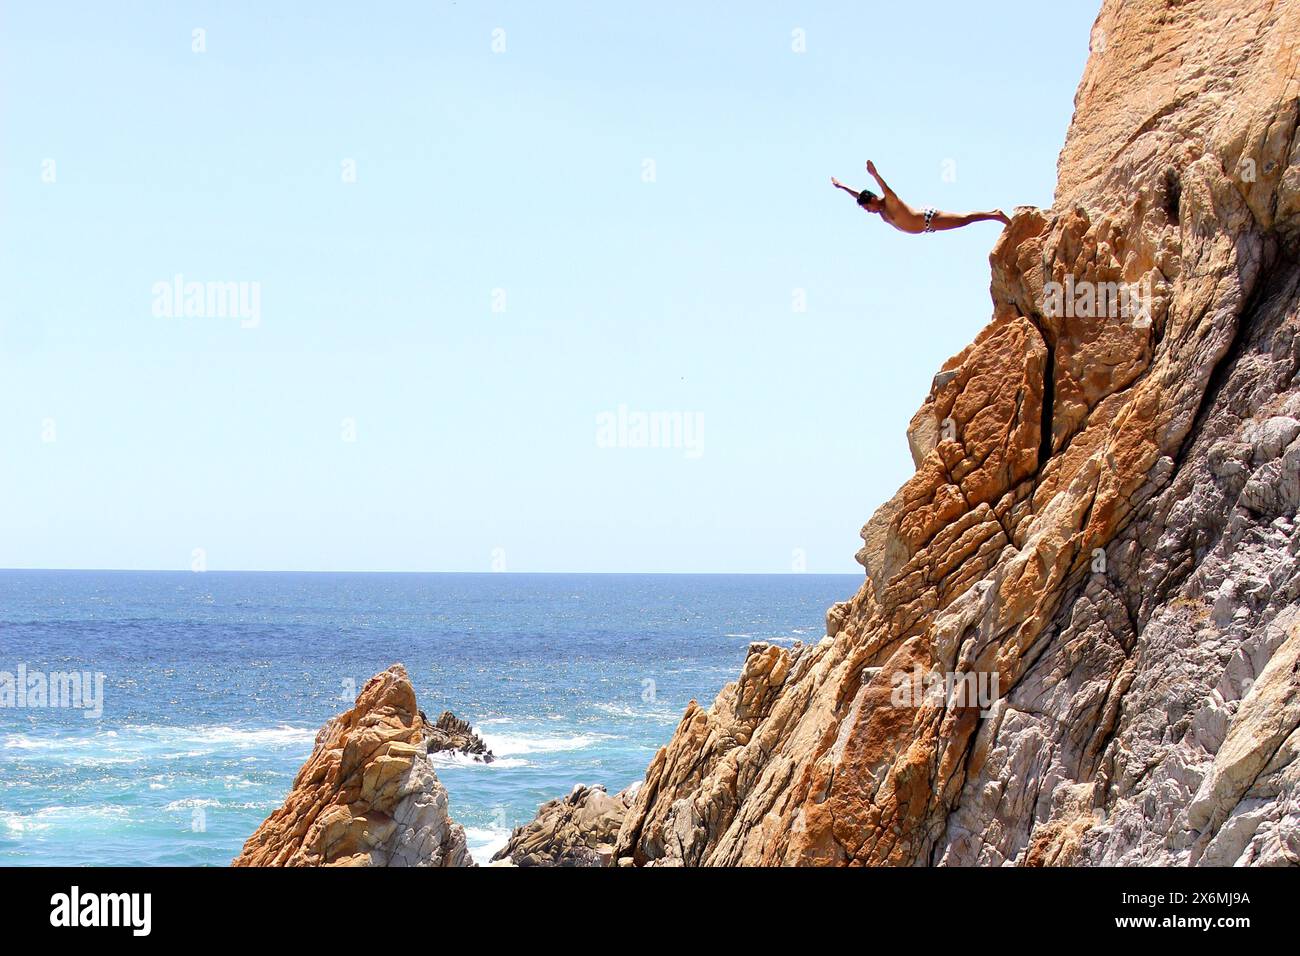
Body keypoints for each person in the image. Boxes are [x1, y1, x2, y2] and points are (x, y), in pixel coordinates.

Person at [831, 160, 1010, 233]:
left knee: (964, 220)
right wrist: (842, 186)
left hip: (928, 219)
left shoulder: (889, 201)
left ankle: (995, 214)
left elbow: (885, 189)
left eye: (867, 207)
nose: (868, 211)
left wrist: (875, 175)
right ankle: (994, 214)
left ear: (872, 200)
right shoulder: (880, 211)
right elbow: (858, 195)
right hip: (925, 228)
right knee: (964, 222)